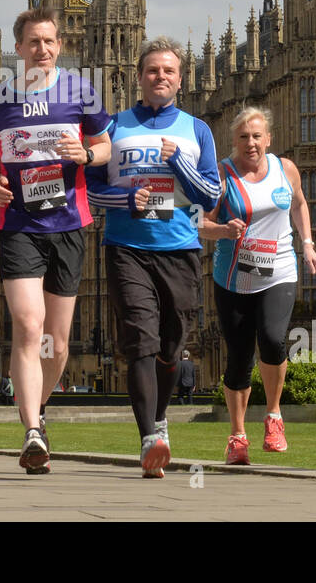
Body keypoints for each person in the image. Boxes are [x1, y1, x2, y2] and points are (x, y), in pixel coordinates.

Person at [0, 7, 111, 474]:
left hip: (69, 225)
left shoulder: (82, 92)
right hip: (17, 224)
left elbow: (105, 146)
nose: (42, 49)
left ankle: (40, 408)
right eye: (34, 41)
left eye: (49, 41)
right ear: (18, 48)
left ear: (60, 45)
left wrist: (89, 153)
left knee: (57, 342)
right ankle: (32, 430)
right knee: (28, 325)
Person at [86, 37, 220, 478]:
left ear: (180, 79)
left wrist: (179, 163)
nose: (159, 77)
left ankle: (159, 421)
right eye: (152, 70)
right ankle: (149, 438)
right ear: (139, 76)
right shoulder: (115, 127)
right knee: (139, 342)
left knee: (171, 347)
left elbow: (211, 194)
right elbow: (89, 189)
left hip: (179, 248)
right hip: (127, 249)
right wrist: (127, 200)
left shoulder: (196, 129)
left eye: (168, 71)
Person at [199, 106, 316, 464]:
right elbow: (199, 223)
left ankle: (273, 415)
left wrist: (308, 244)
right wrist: (222, 230)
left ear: (268, 139)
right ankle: (237, 435)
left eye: (257, 136)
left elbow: (299, 205)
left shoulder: (285, 169)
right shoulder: (220, 174)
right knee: (238, 357)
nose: (250, 143)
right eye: (243, 137)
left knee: (272, 337)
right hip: (234, 275)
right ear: (233, 140)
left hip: (280, 270)